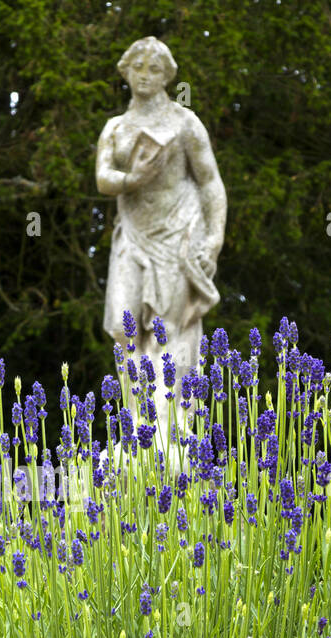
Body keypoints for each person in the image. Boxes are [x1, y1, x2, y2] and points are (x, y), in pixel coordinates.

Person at [97, 37, 226, 473]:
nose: (145, 74)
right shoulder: (116, 127)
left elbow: (210, 183)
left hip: (178, 232)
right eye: (138, 66)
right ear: (126, 71)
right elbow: (102, 177)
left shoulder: (185, 122)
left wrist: (213, 240)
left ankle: (170, 430)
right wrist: (132, 177)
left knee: (167, 332)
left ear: (168, 74)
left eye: (154, 67)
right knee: (122, 329)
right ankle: (137, 426)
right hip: (132, 234)